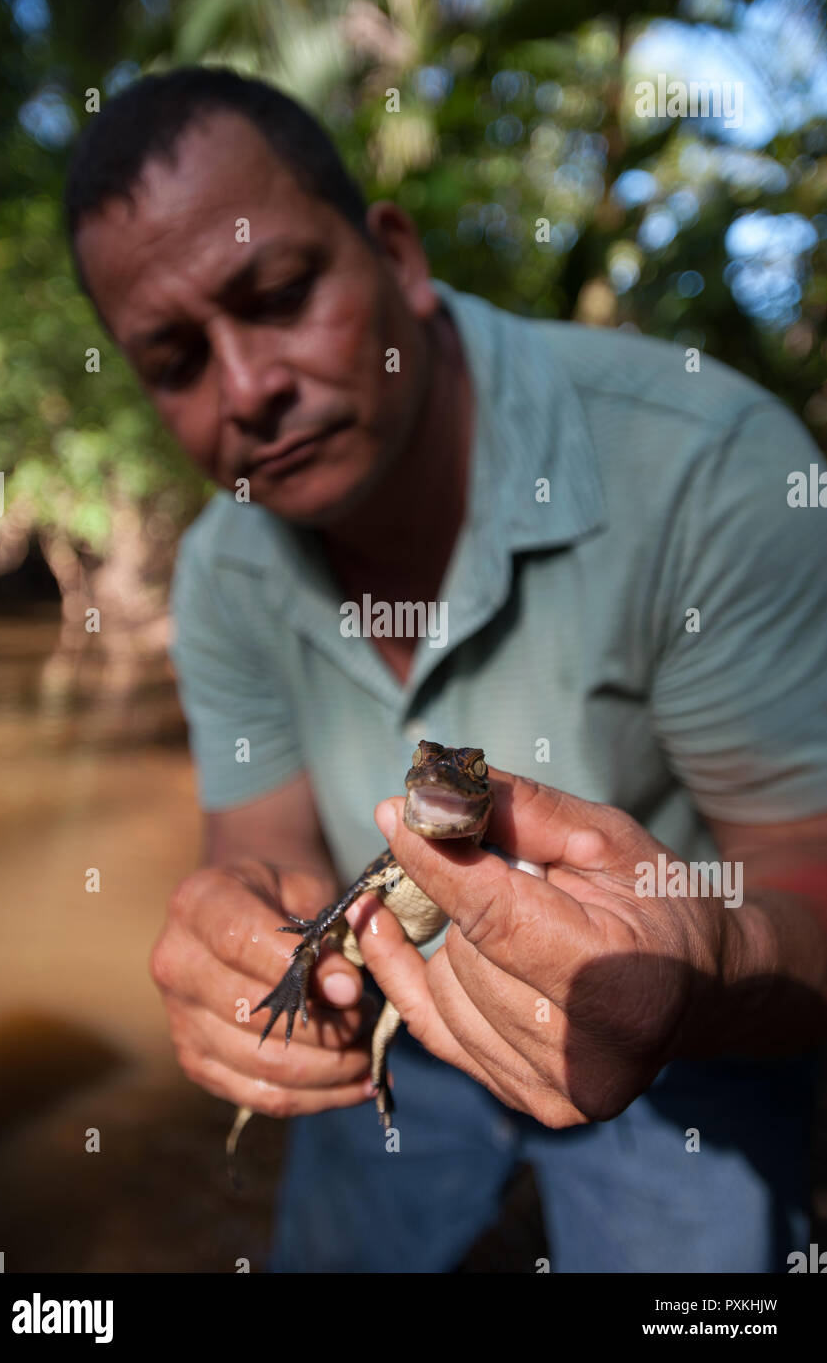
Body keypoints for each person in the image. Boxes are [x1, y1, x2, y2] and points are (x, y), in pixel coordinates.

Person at [64, 67, 827, 1273]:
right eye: (172, 360)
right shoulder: (222, 569)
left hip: (699, 1041)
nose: (248, 389)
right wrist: (243, 950)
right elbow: (265, 857)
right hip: (398, 1021)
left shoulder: (710, 470)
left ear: (398, 257)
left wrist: (706, 968)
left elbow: (806, 864)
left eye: (277, 293)